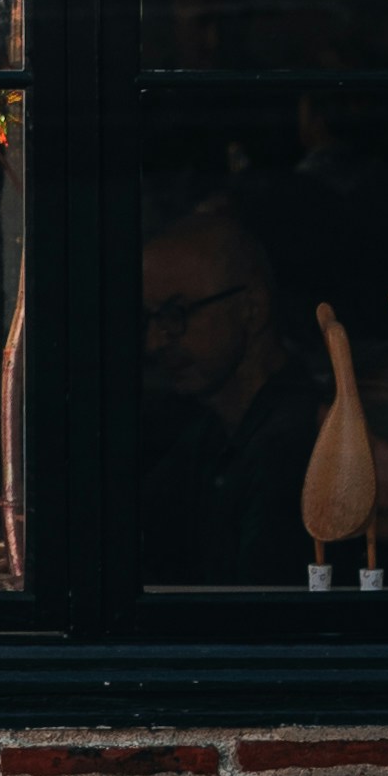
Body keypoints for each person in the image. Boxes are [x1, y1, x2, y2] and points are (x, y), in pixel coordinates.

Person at [137, 192, 330, 585]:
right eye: (150, 319)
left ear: (252, 308)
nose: (155, 342)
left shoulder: (298, 443)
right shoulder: (203, 433)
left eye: (177, 314)